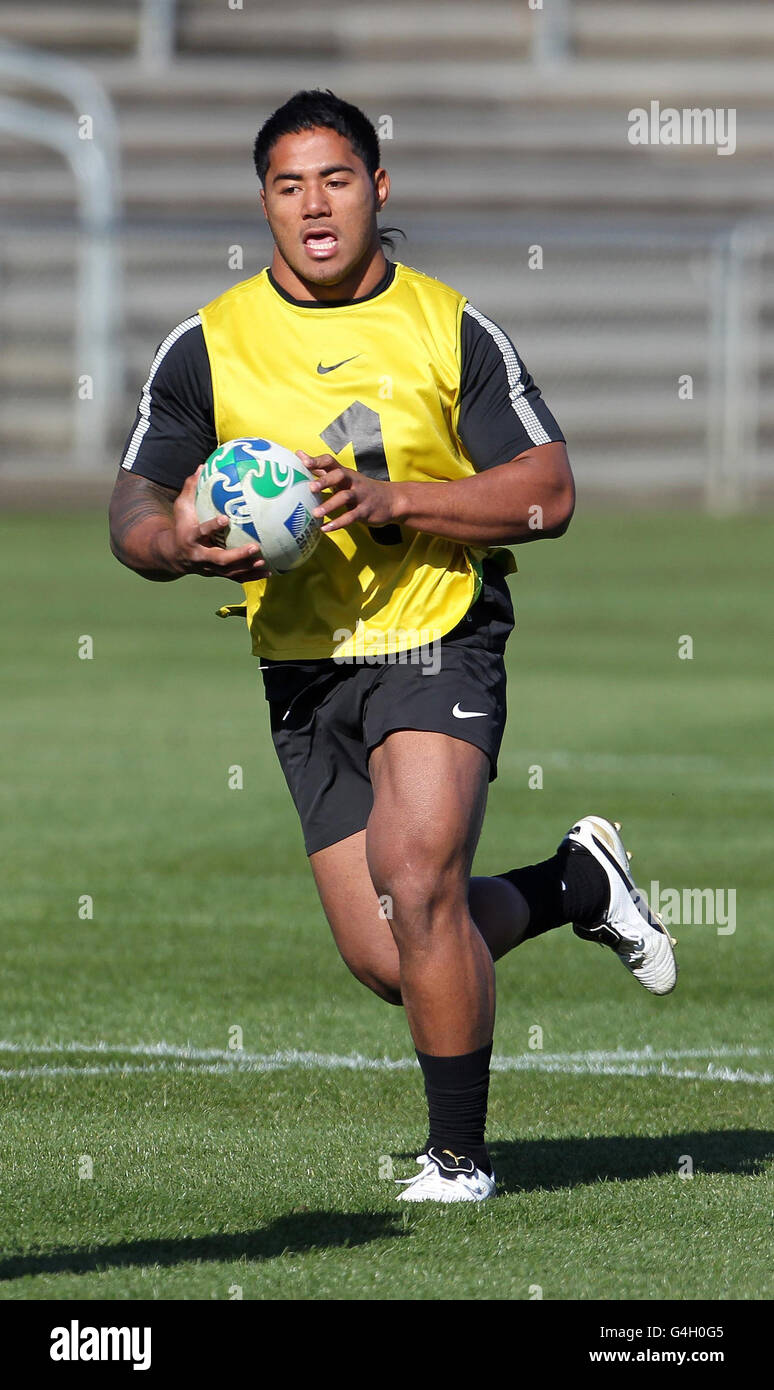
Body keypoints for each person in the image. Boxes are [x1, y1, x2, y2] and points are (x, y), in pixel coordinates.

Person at [109, 89, 677, 1204]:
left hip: (438, 632)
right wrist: (172, 540)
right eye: (287, 185)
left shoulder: (449, 326)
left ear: (379, 187)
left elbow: (549, 493)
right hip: (304, 663)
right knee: (391, 956)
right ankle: (574, 882)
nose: (313, 205)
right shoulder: (208, 343)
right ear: (263, 203)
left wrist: (394, 500)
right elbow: (131, 506)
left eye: (335, 179)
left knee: (418, 882)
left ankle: (458, 1158)